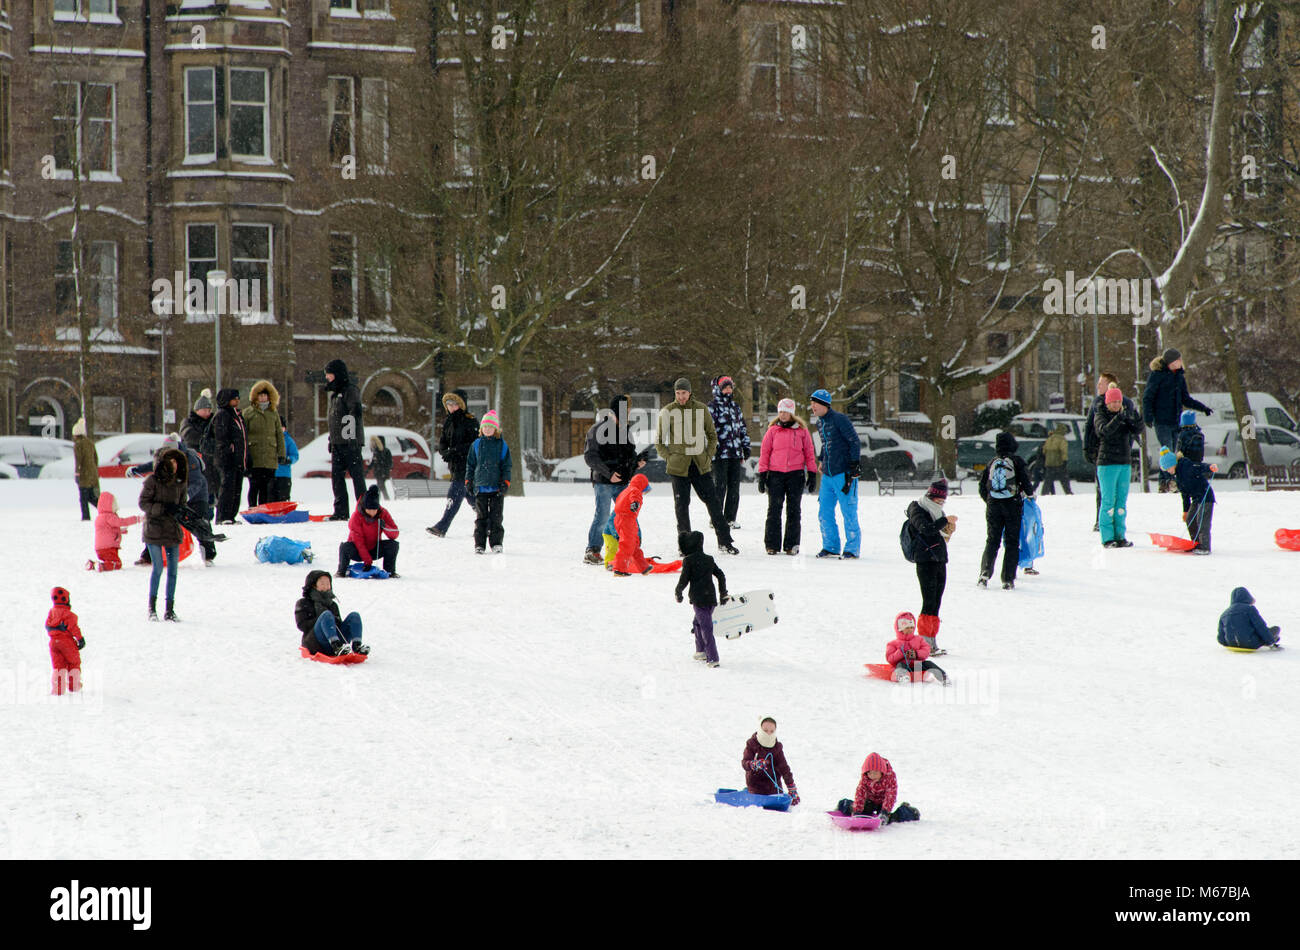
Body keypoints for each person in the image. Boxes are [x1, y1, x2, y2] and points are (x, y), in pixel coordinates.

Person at [656, 378, 738, 555]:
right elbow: (659, 442)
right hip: (678, 468)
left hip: (700, 465)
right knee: (682, 506)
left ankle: (725, 542)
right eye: (678, 393)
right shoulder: (668, 411)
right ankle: (685, 546)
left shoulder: (701, 409)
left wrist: (708, 455)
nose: (681, 397)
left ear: (690, 392)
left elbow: (712, 436)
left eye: (684, 393)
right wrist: (669, 458)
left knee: (714, 503)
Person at [581, 395, 646, 563]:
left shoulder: (625, 431)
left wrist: (636, 462)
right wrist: (609, 473)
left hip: (623, 482)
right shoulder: (597, 430)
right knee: (602, 515)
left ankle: (632, 550)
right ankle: (593, 550)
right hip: (603, 481)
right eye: (626, 411)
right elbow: (590, 457)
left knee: (629, 516)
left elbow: (629, 455)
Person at [1143, 347, 1212, 493]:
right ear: (1170, 362)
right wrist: (1148, 416)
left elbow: (1186, 398)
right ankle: (1165, 482)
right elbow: (1148, 396)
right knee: (1166, 449)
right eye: (1177, 360)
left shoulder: (1179, 377)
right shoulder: (1157, 375)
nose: (1180, 362)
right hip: (1161, 420)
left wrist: (1203, 408)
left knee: (1175, 451)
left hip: (1175, 421)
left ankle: (1172, 480)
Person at [758, 398, 818, 555]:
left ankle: (791, 545)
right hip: (776, 475)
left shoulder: (802, 431)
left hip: (795, 475)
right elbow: (765, 453)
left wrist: (812, 474)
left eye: (786, 412)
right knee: (774, 510)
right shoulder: (772, 430)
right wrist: (763, 474)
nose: (783, 415)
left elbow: (809, 454)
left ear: (792, 413)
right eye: (781, 412)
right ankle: (771, 545)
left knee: (794, 511)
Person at [809, 388, 862, 559]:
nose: (812, 407)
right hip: (827, 475)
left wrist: (854, 465)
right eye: (811, 403)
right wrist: (821, 460)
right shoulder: (819, 422)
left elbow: (854, 441)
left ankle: (852, 549)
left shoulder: (840, 419)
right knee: (824, 512)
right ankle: (831, 546)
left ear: (824, 404)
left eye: (815, 403)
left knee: (848, 511)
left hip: (843, 473)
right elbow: (826, 444)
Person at [139, 446, 189, 621]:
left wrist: (182, 512)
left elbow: (182, 503)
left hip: (172, 531)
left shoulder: (180, 482)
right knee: (158, 568)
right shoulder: (152, 480)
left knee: (173, 571)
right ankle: (152, 608)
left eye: (177, 461)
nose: (174, 465)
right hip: (154, 529)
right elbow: (143, 503)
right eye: (171, 461)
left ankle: (169, 609)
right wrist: (162, 508)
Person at [978, 431, 1033, 589]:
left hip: (993, 506)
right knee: (1011, 542)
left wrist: (989, 501)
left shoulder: (991, 462)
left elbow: (982, 486)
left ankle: (984, 573)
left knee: (992, 540)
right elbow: (1026, 484)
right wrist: (1028, 496)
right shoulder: (1017, 462)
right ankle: (1008, 579)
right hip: (1012, 506)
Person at [907, 476, 955, 653]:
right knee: (928, 601)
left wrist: (947, 527)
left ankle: (932, 641)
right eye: (939, 499)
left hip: (939, 559)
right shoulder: (917, 508)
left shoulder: (937, 511)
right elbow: (926, 529)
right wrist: (944, 521)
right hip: (925, 560)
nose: (941, 503)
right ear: (931, 496)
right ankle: (925, 643)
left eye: (943, 500)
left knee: (936, 601)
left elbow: (937, 533)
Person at [1094, 385, 1143, 549]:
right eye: (1113, 402)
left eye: (1118, 401)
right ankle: (1107, 538)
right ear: (1107, 403)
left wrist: (1134, 416)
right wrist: (1118, 418)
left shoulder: (1124, 415)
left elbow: (1138, 428)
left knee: (1121, 502)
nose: (1116, 405)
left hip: (1124, 462)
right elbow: (1104, 431)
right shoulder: (1100, 415)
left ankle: (1120, 535)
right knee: (1108, 501)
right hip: (1107, 463)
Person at [427, 390, 479, 538]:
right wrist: (445, 452)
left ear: (461, 405)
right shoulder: (449, 421)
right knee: (470, 496)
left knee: (454, 494)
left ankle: (442, 527)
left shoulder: (470, 421)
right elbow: (443, 441)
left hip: (467, 465)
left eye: (454, 404)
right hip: (455, 465)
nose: (451, 407)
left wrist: (456, 451)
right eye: (448, 404)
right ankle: (486, 521)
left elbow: (475, 444)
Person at [674, 530, 728, 667]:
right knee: (698, 623)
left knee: (706, 628)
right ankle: (700, 651)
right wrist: (723, 593)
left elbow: (684, 579)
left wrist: (678, 591)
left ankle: (713, 658)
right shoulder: (708, 559)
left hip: (699, 600)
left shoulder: (689, 560)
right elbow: (720, 575)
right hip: (711, 598)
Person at [325, 358, 366, 521]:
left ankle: (365, 510)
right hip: (338, 443)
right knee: (337, 478)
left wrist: (350, 438)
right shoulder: (334, 395)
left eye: (329, 374)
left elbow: (354, 413)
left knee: (357, 477)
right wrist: (332, 440)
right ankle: (341, 511)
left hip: (351, 443)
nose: (327, 377)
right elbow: (334, 421)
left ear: (337, 374)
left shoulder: (350, 390)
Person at [708, 375, 751, 531]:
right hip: (719, 454)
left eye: (730, 387)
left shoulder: (735, 407)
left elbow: (742, 429)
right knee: (719, 487)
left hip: (735, 453)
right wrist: (714, 447)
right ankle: (716, 518)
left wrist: (745, 447)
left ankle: (730, 518)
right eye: (725, 387)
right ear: (718, 389)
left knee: (734, 488)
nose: (728, 390)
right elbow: (708, 430)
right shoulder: (712, 407)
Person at [466, 410, 511, 554]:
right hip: (481, 488)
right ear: (481, 429)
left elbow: (506, 466)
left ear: (496, 429)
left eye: (490, 427)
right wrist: (469, 480)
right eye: (485, 427)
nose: (487, 429)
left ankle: (496, 543)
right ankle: (479, 544)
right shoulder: (476, 444)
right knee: (481, 518)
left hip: (497, 488)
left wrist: (505, 482)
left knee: (496, 518)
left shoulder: (502, 445)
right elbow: (470, 464)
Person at [295, 569, 369, 657]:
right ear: (313, 586)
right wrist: (322, 620)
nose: (326, 586)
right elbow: (302, 625)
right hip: (316, 642)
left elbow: (338, 624)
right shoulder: (304, 603)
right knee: (326, 615)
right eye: (322, 583)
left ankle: (357, 646)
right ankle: (336, 646)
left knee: (354, 616)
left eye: (328, 583)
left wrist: (332, 621)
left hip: (334, 638)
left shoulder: (332, 604)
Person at [835, 753, 920, 823]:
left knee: (887, 820)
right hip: (870, 801)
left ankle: (908, 811)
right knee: (863, 814)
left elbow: (891, 795)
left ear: (882, 771)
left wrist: (885, 812)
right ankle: (844, 804)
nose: (872, 776)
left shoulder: (889, 777)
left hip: (883, 803)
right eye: (870, 773)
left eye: (875, 773)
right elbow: (860, 794)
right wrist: (857, 811)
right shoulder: (865, 778)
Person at [338, 485, 400, 577]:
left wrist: (385, 527)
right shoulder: (356, 517)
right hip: (357, 550)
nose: (372, 512)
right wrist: (367, 561)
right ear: (364, 507)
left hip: (375, 548)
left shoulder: (383, 513)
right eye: (369, 510)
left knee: (393, 545)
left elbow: (395, 534)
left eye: (374, 509)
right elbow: (358, 541)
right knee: (344, 547)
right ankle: (341, 572)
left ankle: (390, 572)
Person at [1083, 372, 1119, 531]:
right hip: (1103, 450)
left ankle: (1104, 519)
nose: (1098, 386)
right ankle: (1106, 519)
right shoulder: (1105, 402)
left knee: (1105, 487)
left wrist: (1087, 446)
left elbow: (1090, 427)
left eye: (1101, 383)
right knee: (1108, 487)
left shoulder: (1101, 403)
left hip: (1106, 450)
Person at [241, 380, 284, 509]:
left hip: (270, 456)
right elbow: (243, 435)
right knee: (254, 485)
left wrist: (281, 453)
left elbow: (279, 435)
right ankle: (253, 508)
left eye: (265, 395)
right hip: (254, 457)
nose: (263, 398)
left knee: (267, 487)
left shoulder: (274, 413)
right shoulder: (248, 412)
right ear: (256, 397)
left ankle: (263, 509)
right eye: (260, 395)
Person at [1170, 438, 1217, 554]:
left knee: (1202, 522)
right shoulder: (1178, 477)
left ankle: (1205, 546)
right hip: (1196, 499)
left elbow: (1199, 466)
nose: (1167, 471)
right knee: (1191, 518)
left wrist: (1209, 467)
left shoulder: (1186, 466)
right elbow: (1185, 495)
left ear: (1172, 464)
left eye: (1167, 468)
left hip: (1205, 497)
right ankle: (1195, 543)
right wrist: (1185, 511)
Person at [741, 717, 799, 805]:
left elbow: (784, 769)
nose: (768, 734)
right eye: (765, 730)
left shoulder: (777, 748)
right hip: (755, 788)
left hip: (774, 790)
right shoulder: (752, 744)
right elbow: (745, 763)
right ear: (760, 729)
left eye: (771, 731)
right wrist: (754, 764)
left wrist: (792, 788)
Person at [180, 389, 219, 519]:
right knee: (196, 491)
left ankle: (208, 515)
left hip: (210, 466)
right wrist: (205, 441)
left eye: (209, 410)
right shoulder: (188, 422)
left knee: (210, 492)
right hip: (194, 465)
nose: (208, 413)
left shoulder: (213, 422)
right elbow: (189, 436)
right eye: (205, 410)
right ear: (198, 410)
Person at [211, 387, 247, 524]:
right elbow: (221, 437)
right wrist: (228, 451)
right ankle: (223, 517)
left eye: (238, 398)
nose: (237, 401)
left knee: (236, 489)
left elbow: (242, 438)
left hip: (238, 459)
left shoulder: (237, 415)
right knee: (227, 489)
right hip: (227, 459)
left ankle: (231, 516)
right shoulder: (222, 415)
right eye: (234, 398)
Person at [885, 611, 948, 684]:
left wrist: (916, 653)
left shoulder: (919, 639)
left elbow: (926, 651)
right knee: (900, 665)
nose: (910, 630)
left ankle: (943, 677)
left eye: (912, 627)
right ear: (900, 629)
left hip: (917, 666)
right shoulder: (893, 644)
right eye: (907, 628)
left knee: (928, 663)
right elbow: (890, 658)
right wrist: (901, 652)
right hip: (903, 667)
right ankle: (902, 677)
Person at [46, 587, 85, 696]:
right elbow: (73, 628)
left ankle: (57, 690)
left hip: (53, 643)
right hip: (66, 642)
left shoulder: (51, 612)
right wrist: (80, 639)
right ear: (66, 599)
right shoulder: (69, 615)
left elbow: (47, 625)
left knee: (58, 666)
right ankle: (74, 685)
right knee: (74, 662)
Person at [611, 473, 652, 576]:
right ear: (642, 485)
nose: (644, 492)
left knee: (633, 544)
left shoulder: (626, 490)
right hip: (627, 520)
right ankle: (619, 569)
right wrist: (635, 503)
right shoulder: (635, 490)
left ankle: (644, 567)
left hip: (619, 519)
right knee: (627, 545)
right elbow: (635, 497)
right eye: (645, 489)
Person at [87, 491, 139, 572]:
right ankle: (100, 566)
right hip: (108, 548)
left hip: (101, 548)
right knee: (116, 564)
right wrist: (137, 519)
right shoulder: (109, 516)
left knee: (110, 561)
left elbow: (107, 530)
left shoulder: (101, 517)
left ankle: (93, 564)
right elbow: (122, 522)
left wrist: (120, 531)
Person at [1217, 588, 1281, 651]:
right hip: (1251, 643)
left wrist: (1229, 643)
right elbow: (1260, 627)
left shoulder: (1224, 613)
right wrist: (1271, 641)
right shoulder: (1250, 609)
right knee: (1276, 629)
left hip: (1231, 644)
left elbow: (1221, 638)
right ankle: (1267, 640)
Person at [72, 417, 100, 521]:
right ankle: (104, 510)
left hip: (84, 475)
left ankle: (86, 517)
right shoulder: (90, 443)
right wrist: (94, 471)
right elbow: (95, 458)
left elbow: (78, 461)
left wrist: (77, 474)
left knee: (84, 498)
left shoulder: (78, 445)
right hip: (92, 474)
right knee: (92, 496)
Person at [1040, 424, 1072, 495]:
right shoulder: (1062, 439)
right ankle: (1068, 493)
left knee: (1048, 480)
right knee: (1064, 480)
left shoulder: (1050, 438)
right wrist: (1065, 461)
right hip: (1059, 462)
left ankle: (1044, 493)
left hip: (1049, 463)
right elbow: (1064, 451)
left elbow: (1044, 451)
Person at [273, 416, 298, 502]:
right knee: (270, 498)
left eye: (282, 427)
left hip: (284, 475)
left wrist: (288, 460)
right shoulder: (270, 440)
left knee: (283, 497)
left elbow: (295, 455)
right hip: (271, 475)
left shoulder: (288, 440)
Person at [368, 434, 393, 501]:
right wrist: (367, 469)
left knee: (380, 486)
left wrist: (384, 467)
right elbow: (373, 462)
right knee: (381, 486)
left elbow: (389, 463)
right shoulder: (376, 451)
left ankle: (378, 500)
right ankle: (385, 499)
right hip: (378, 473)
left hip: (383, 473)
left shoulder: (386, 451)